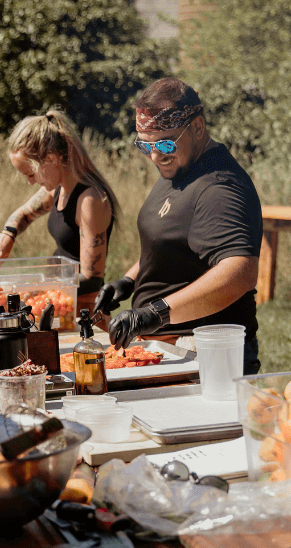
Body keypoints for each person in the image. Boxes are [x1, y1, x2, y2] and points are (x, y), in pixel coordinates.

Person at [95, 78, 263, 374]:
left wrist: (155, 314)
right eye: (145, 145)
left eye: (165, 143)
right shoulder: (180, 167)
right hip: (168, 347)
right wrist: (128, 281)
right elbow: (172, 241)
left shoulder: (218, 187)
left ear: (197, 128)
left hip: (202, 355)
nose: (156, 156)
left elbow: (240, 273)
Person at [0, 110, 118, 317]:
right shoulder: (57, 187)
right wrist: (7, 235)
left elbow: (92, 278)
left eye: (30, 173)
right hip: (58, 302)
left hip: (81, 310)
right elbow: (24, 215)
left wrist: (33, 288)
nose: (30, 182)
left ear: (51, 159)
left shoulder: (89, 200)